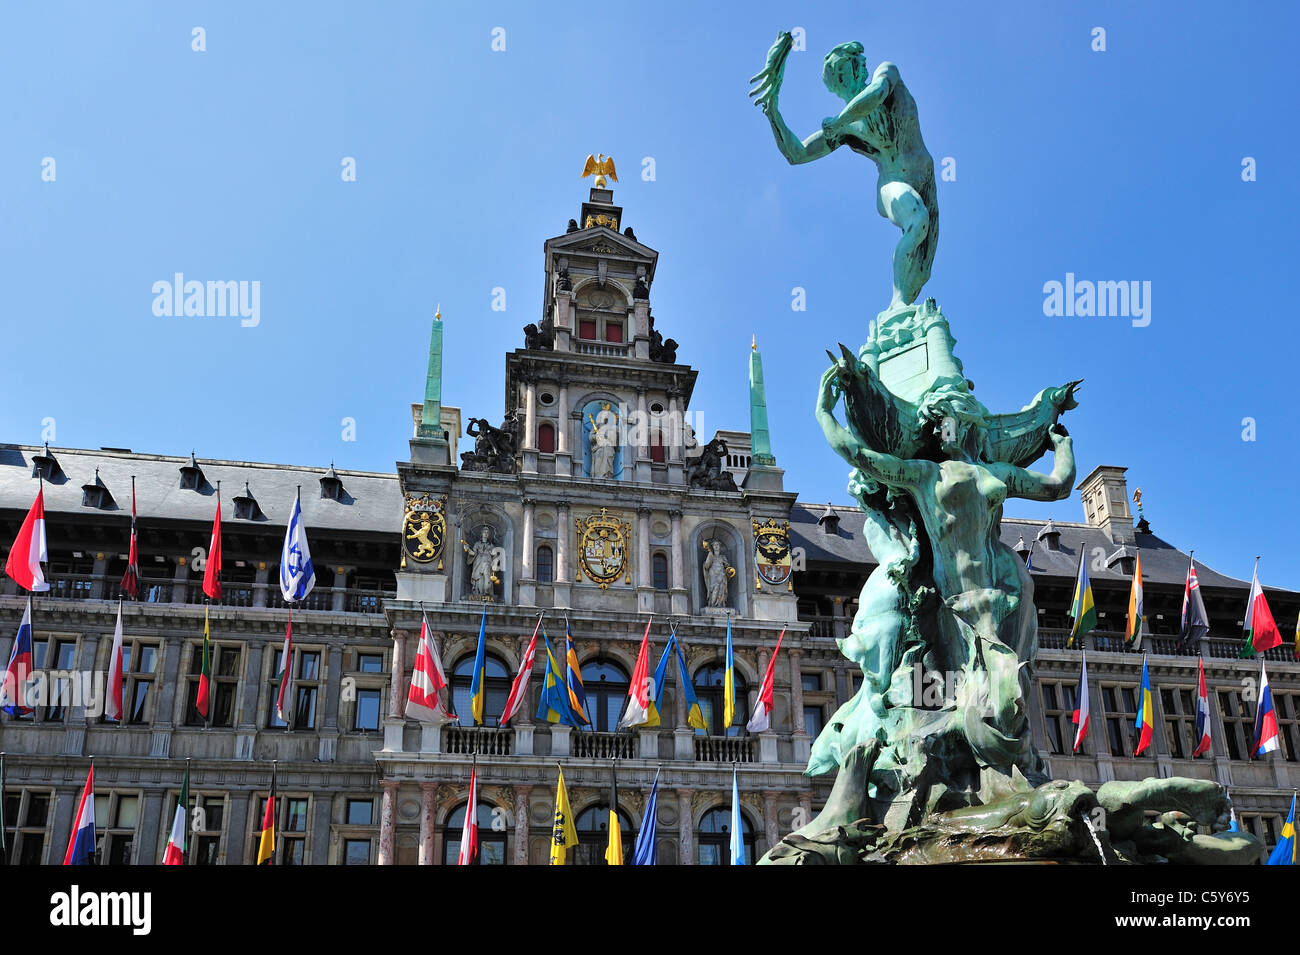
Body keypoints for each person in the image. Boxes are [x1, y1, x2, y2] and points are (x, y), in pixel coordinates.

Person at [750, 34, 938, 309]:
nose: (845, 78)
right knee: (917, 219)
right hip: (893, 181)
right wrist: (773, 112)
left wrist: (838, 122)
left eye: (847, 67)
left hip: (926, 177)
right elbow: (797, 154)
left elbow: (875, 95)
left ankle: (906, 313)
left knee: (922, 271)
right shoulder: (846, 129)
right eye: (837, 77)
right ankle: (896, 304)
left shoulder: (886, 74)